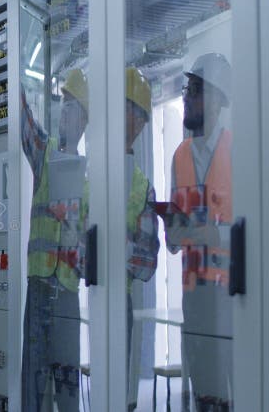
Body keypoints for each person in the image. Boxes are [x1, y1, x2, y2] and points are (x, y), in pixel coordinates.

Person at [165, 52, 233, 410]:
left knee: (233, 397)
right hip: (194, 301)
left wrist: (215, 236)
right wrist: (172, 234)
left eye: (194, 90)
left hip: (232, 300)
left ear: (217, 99)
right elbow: (174, 241)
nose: (186, 99)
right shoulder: (179, 156)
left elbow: (256, 233)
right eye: (186, 90)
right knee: (204, 400)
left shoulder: (241, 152)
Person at [20, 69, 88, 411]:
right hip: (40, 286)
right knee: (33, 380)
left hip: (68, 293)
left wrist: (75, 229)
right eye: (64, 104)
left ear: (85, 119)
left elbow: (93, 250)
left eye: (74, 107)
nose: (66, 112)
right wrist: (7, 58)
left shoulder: (91, 174)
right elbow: (23, 120)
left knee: (67, 385)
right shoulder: (44, 152)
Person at [123, 67, 160, 411]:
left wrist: (118, 255)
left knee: (123, 397)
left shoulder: (141, 187)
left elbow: (148, 261)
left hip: (119, 302)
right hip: (75, 298)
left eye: (126, 109)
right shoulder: (87, 172)